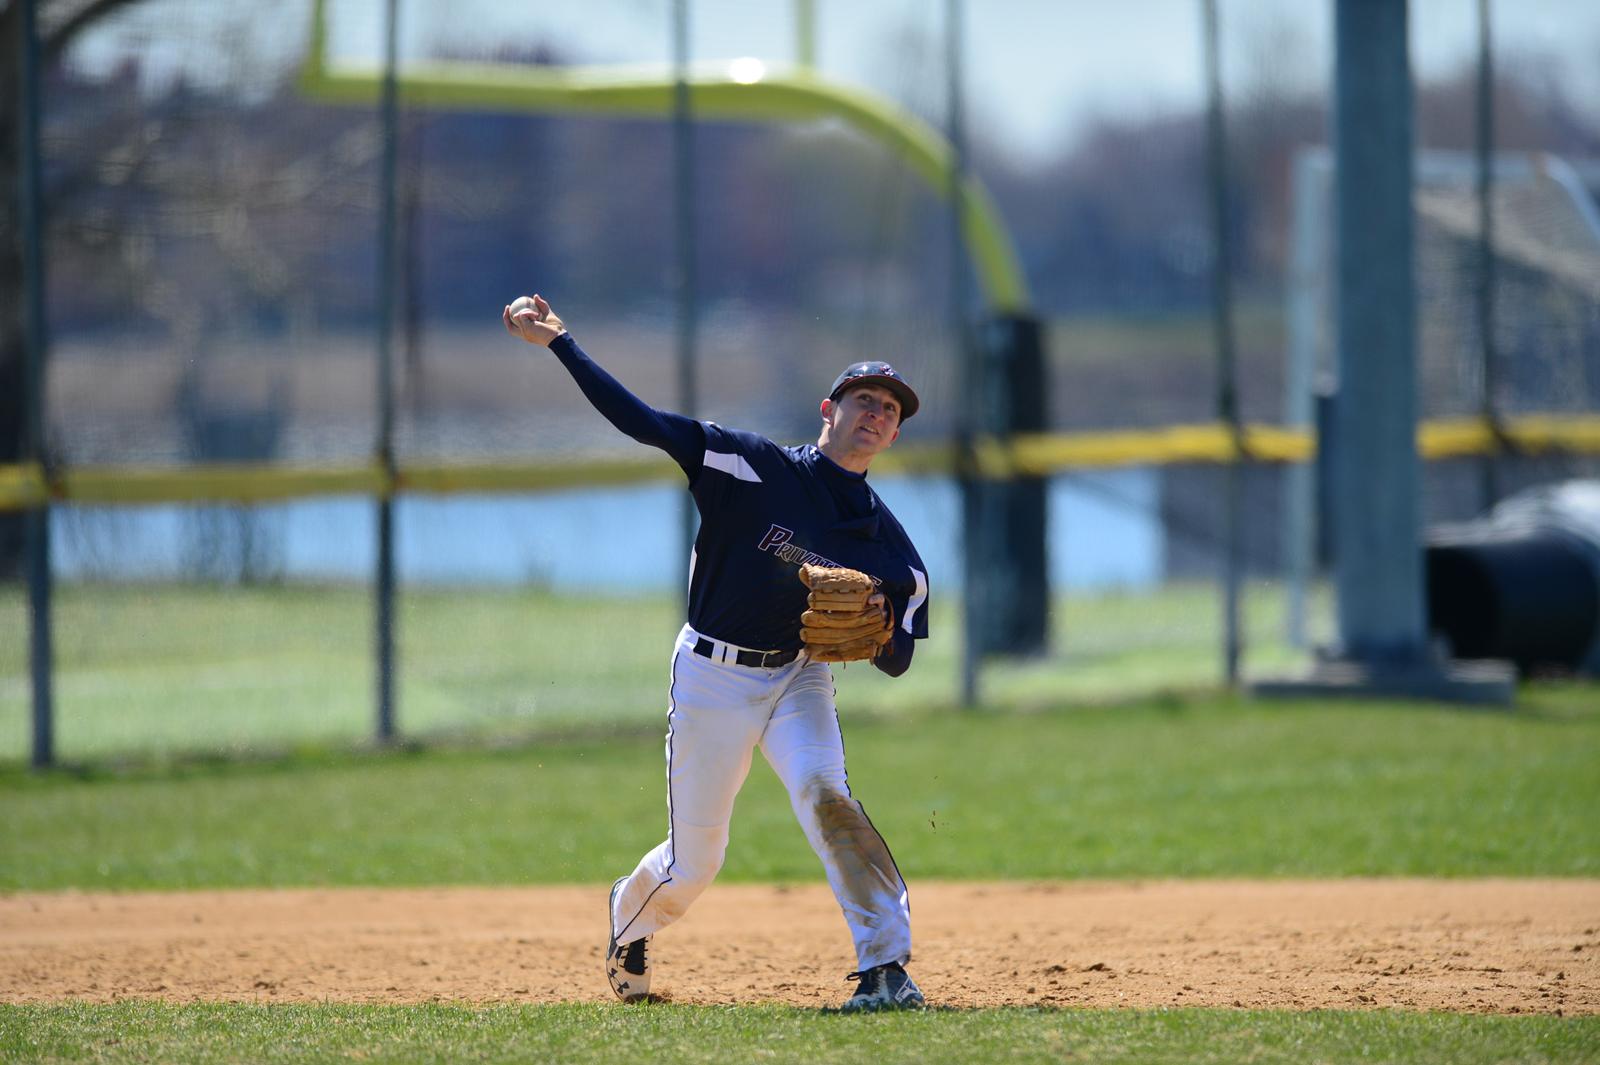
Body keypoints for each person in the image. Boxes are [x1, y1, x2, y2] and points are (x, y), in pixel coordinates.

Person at [504, 294, 931, 1012]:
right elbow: (643, 423)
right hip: (711, 676)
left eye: (891, 409)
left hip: (799, 676)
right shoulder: (750, 464)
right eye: (865, 398)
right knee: (695, 862)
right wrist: (561, 343)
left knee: (829, 798)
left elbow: (899, 660)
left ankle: (885, 966)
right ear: (828, 409)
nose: (878, 413)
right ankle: (630, 914)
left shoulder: (886, 541)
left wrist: (883, 623)